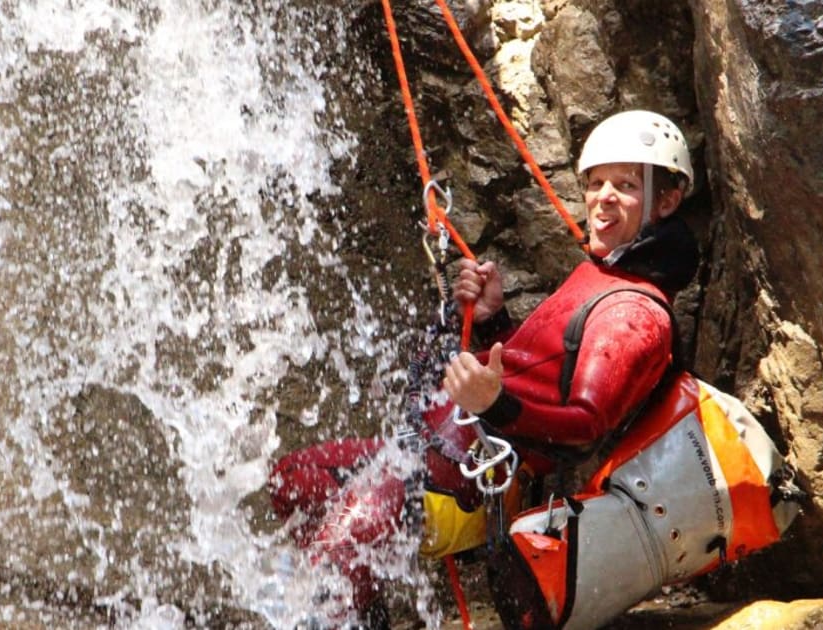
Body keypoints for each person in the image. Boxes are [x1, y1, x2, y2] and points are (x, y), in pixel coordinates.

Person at [267, 109, 700, 627]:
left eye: (625, 186)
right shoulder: (600, 279)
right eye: (596, 183)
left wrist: (494, 403)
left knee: (337, 557)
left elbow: (584, 428)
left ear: (667, 201)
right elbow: (537, 372)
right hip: (433, 455)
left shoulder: (634, 313)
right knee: (295, 479)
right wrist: (495, 320)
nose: (603, 197)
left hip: (470, 482)